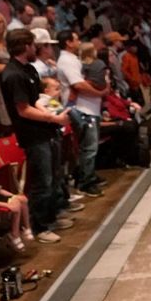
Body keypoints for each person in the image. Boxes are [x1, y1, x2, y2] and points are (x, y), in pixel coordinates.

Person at [0, 28, 70, 242]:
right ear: (25, 46)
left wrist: (50, 115)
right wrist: (53, 119)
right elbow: (23, 109)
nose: (36, 48)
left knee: (52, 177)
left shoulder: (29, 69)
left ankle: (51, 217)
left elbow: (35, 100)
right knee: (42, 181)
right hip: (33, 135)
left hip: (45, 130)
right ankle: (41, 227)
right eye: (32, 45)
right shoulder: (13, 74)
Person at [58, 32, 108, 194]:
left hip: (89, 106)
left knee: (90, 146)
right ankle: (86, 182)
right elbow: (78, 85)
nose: (79, 41)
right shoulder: (67, 60)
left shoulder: (73, 59)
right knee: (89, 147)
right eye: (76, 39)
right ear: (68, 42)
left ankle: (89, 174)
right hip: (82, 108)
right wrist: (100, 92)